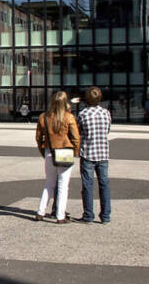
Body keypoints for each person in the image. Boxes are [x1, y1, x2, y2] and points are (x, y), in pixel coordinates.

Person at [33, 90, 81, 223]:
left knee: (49, 183)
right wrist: (74, 152)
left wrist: (44, 152)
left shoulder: (44, 117)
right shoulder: (69, 117)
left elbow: (38, 138)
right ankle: (60, 216)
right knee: (63, 185)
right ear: (65, 102)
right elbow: (76, 137)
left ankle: (40, 212)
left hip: (50, 151)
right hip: (65, 152)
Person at [77, 86, 113, 224]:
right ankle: (105, 216)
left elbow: (79, 132)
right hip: (103, 152)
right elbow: (107, 130)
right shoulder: (106, 113)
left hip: (88, 152)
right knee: (104, 184)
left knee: (87, 185)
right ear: (100, 98)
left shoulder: (83, 114)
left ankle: (88, 215)